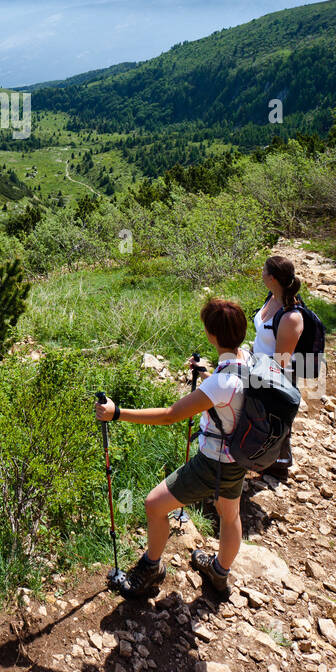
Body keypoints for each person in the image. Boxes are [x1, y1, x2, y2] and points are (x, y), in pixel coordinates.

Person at [95, 298, 250, 599]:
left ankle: (152, 567)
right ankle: (220, 573)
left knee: (154, 504)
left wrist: (117, 413)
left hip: (212, 464)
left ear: (211, 335)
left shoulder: (221, 383)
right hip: (239, 458)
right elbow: (229, 392)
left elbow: (170, 415)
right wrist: (207, 372)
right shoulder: (248, 361)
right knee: (230, 515)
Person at [252, 254, 304, 481]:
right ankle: (259, 457)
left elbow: (282, 359)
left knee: (276, 420)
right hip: (258, 367)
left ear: (271, 277)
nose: (260, 273)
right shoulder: (270, 298)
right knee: (258, 418)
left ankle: (280, 463)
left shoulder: (291, 315)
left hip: (275, 374)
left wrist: (259, 379)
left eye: (263, 269)